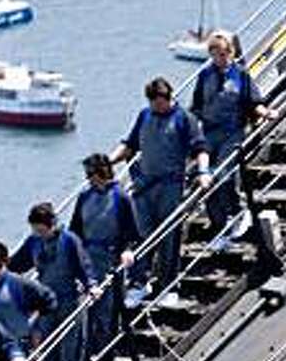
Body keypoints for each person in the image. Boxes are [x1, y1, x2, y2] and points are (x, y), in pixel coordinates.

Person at [111, 78, 211, 302]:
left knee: (168, 236)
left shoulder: (184, 118)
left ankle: (169, 286)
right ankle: (138, 282)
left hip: (170, 185)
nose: (157, 108)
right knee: (139, 234)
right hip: (144, 185)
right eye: (153, 103)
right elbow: (129, 144)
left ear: (168, 98)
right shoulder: (144, 115)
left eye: (160, 103)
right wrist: (109, 162)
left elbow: (200, 147)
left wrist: (204, 172)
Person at [14, 202, 95, 361]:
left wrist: (92, 286)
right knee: (48, 350)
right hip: (46, 303)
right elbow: (18, 263)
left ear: (50, 225)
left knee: (70, 350)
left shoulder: (69, 240)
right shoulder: (33, 242)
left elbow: (84, 268)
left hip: (70, 300)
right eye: (35, 230)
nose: (38, 234)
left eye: (41, 229)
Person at [190, 29, 271, 236]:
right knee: (205, 176)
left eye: (224, 54)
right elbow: (197, 105)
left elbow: (253, 100)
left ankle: (236, 210)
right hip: (209, 131)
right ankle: (217, 222)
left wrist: (266, 113)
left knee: (224, 171)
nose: (220, 58)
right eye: (215, 54)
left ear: (231, 53)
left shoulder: (241, 74)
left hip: (232, 130)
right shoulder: (205, 75)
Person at [69, 155, 140, 361]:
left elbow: (132, 231)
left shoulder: (120, 197)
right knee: (85, 317)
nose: (89, 179)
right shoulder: (84, 197)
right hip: (87, 259)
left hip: (109, 259)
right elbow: (75, 231)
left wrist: (126, 251)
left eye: (91, 174)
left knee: (106, 317)